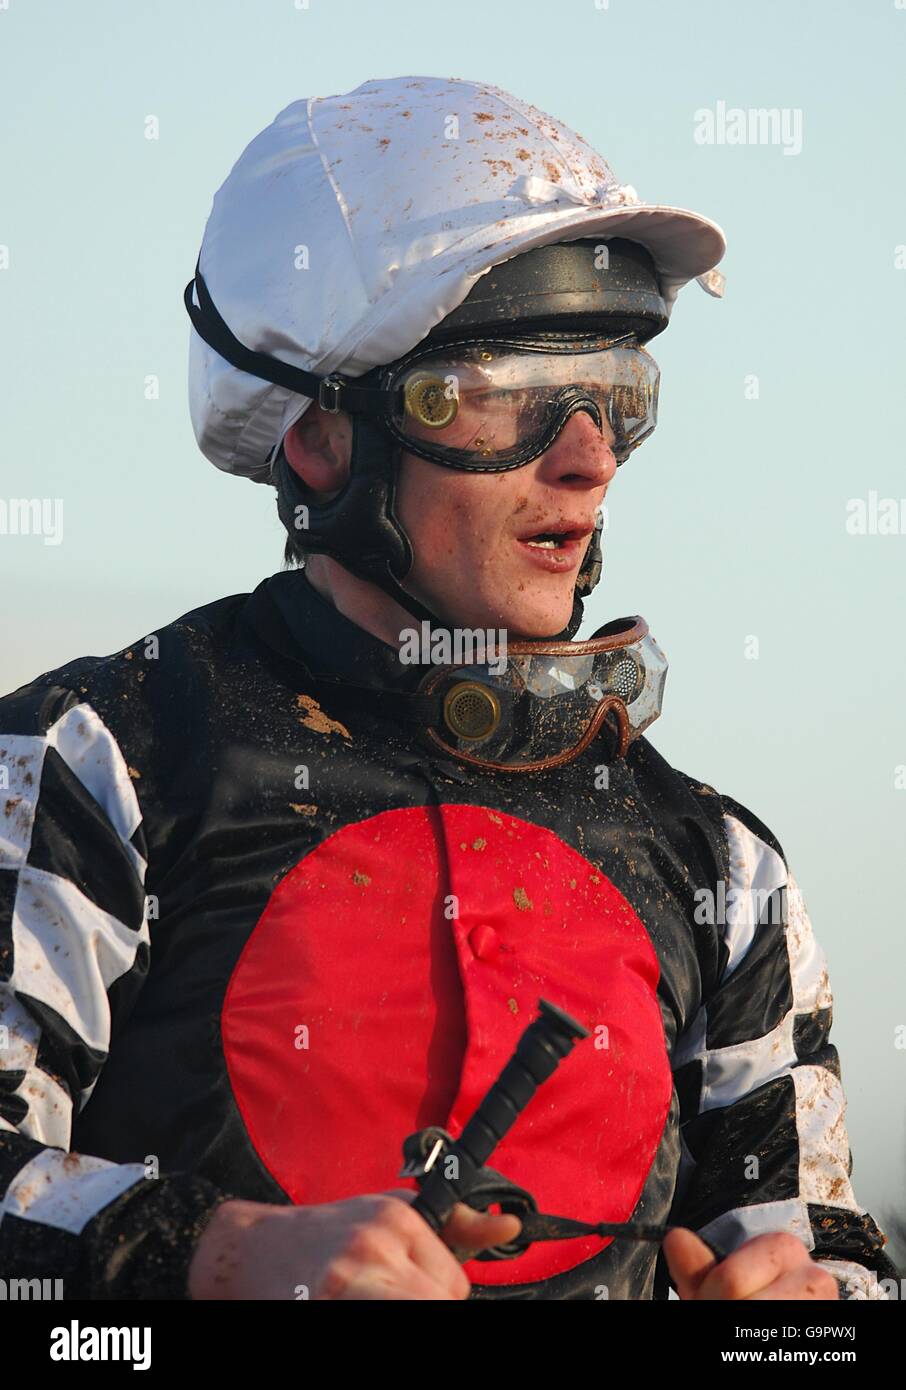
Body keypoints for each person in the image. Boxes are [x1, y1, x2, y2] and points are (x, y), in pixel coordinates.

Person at [0, 76, 897, 1302]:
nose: (588, 464)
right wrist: (220, 1256)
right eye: (508, 397)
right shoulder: (93, 762)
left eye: (616, 394)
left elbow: (829, 1247)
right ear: (323, 441)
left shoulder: (724, 867)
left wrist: (806, 1316)